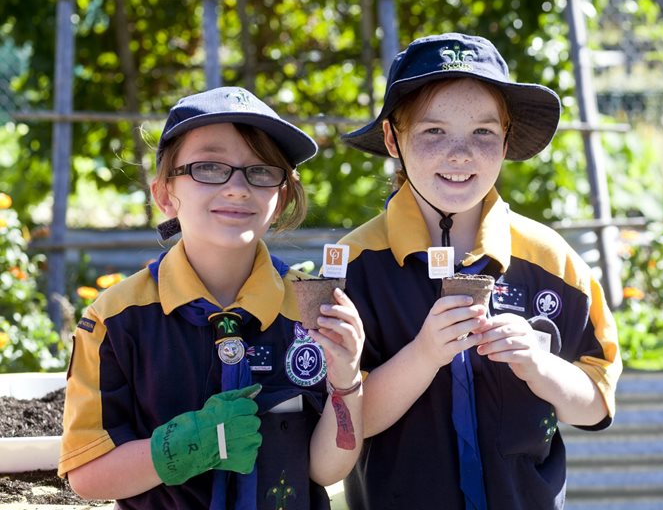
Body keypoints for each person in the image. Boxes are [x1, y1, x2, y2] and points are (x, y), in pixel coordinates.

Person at [336, 33, 622, 509]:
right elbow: (342, 423)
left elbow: (596, 403)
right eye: (433, 132)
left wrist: (540, 366)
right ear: (392, 137)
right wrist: (423, 355)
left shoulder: (551, 260)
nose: (460, 153)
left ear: (507, 140)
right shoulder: (353, 266)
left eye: (483, 133)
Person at [58, 86, 364, 509]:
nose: (238, 188)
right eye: (209, 167)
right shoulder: (114, 320)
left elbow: (324, 470)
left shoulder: (312, 308)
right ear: (165, 194)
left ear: (280, 198)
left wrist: (347, 380)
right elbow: (87, 474)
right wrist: (187, 445)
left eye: (260, 170)